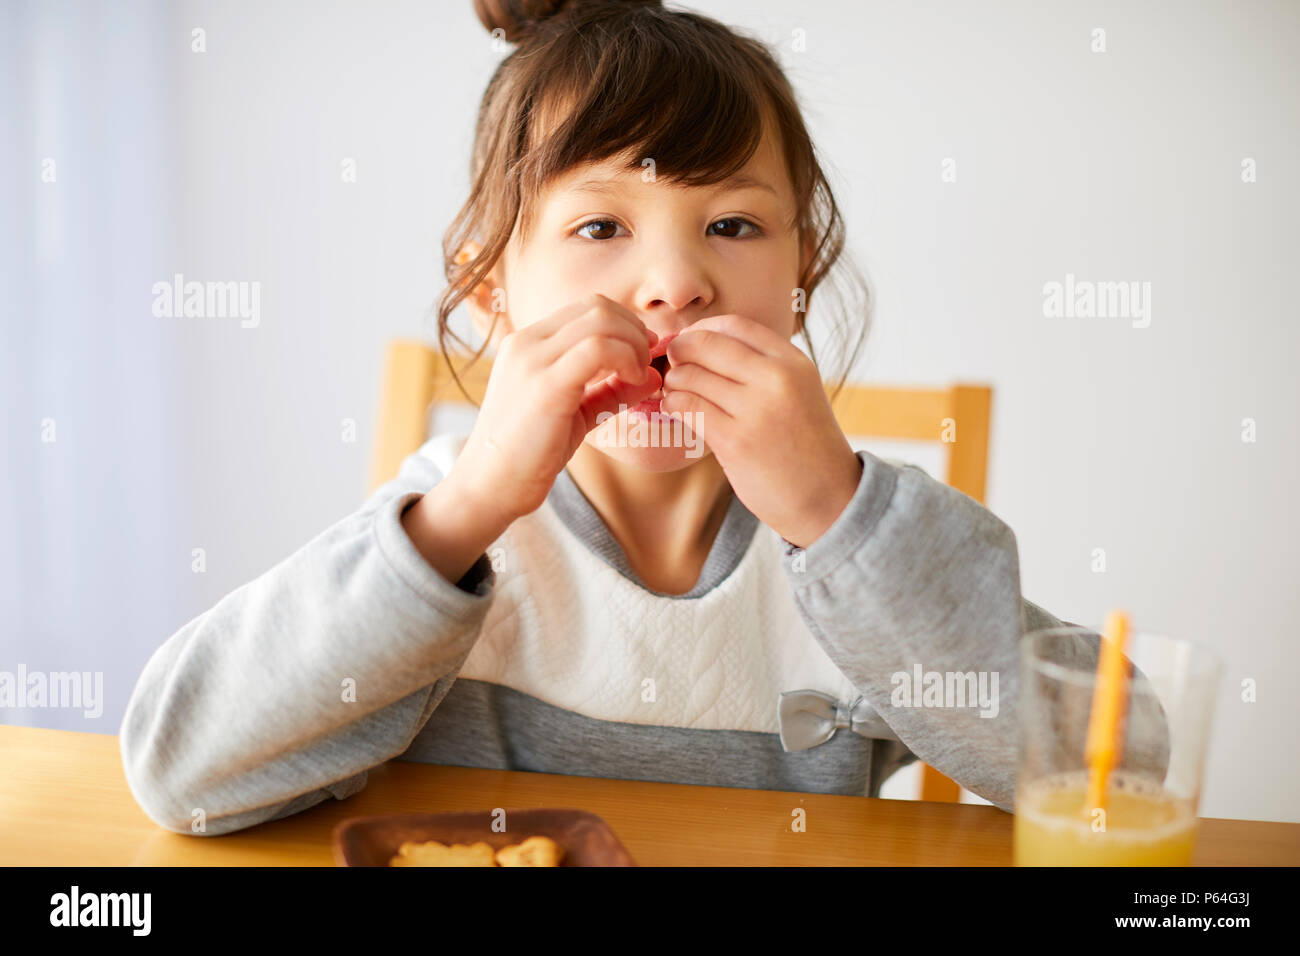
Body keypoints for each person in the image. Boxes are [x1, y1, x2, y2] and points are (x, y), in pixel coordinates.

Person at [120, 0, 1168, 836]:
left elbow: (1121, 771)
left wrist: (839, 515)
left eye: (731, 223)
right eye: (599, 224)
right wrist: (467, 506)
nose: (672, 281)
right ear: (492, 287)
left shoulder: (856, 554)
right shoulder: (448, 535)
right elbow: (183, 772)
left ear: (800, 275)